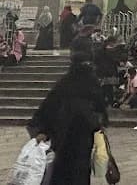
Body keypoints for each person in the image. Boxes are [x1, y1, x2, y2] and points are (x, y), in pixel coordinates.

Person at [28, 48, 107, 185]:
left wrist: (44, 130)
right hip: (76, 137)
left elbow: (48, 109)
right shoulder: (89, 83)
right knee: (77, 172)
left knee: (65, 170)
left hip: (66, 136)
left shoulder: (65, 83)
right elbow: (99, 110)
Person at [94, 36, 124, 107]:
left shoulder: (100, 49)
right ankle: (109, 101)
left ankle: (103, 101)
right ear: (112, 42)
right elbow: (116, 60)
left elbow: (95, 60)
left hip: (102, 71)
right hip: (110, 71)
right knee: (109, 88)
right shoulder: (112, 50)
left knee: (104, 87)